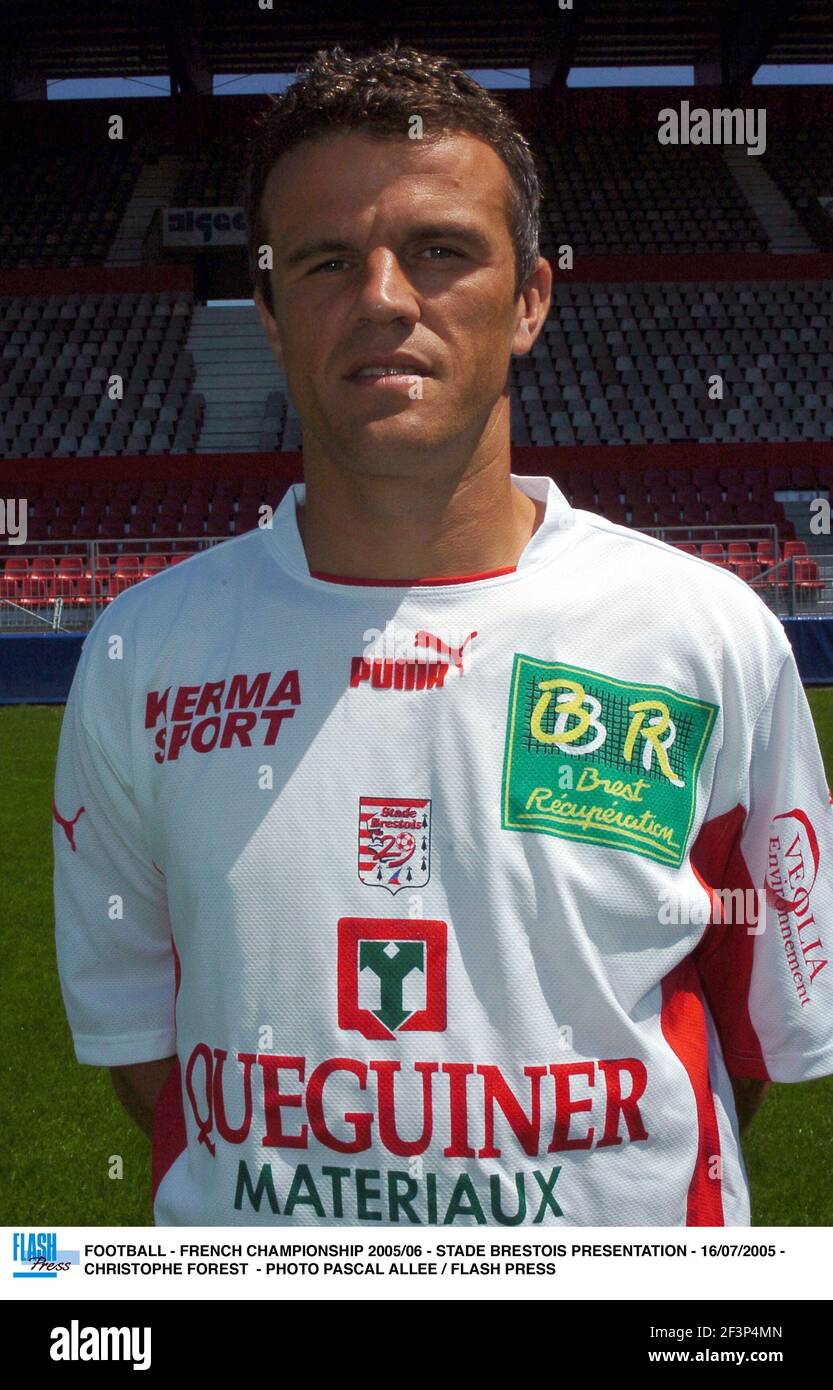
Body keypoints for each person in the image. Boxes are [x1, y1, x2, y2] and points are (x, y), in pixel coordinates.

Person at [54, 43, 833, 1227]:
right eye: (324, 261)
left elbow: (752, 1037)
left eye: (439, 250)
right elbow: (138, 1044)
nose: (381, 297)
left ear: (529, 299)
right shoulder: (140, 654)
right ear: (265, 311)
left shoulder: (701, 635)